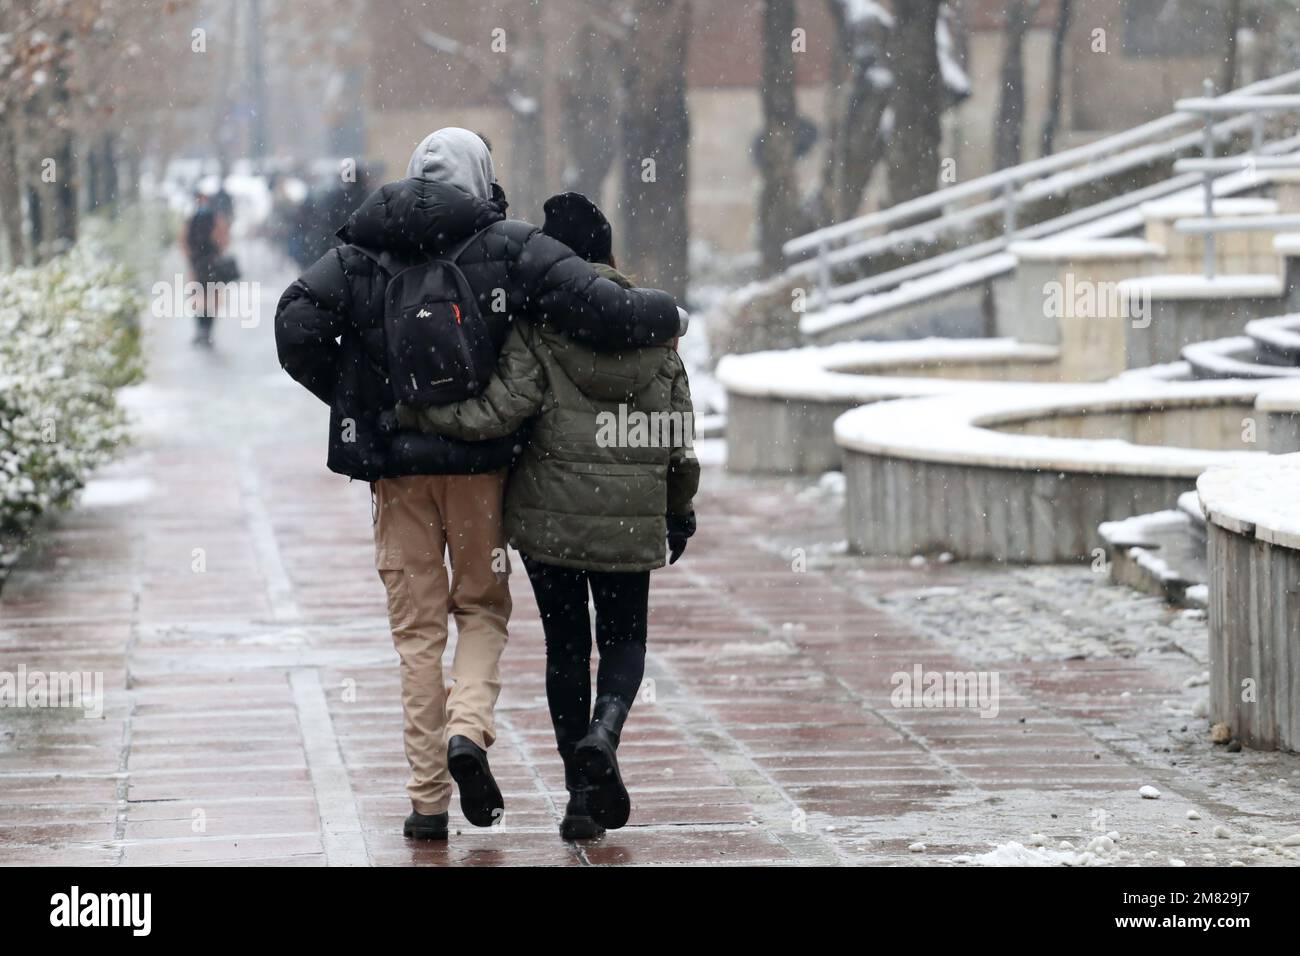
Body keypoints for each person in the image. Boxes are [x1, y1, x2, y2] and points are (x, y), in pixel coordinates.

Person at [273, 129, 685, 841]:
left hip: (397, 476)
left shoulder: (361, 250)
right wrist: (669, 314)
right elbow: (601, 306)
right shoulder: (509, 246)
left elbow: (295, 323)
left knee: (416, 632)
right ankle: (469, 731)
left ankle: (428, 800)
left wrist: (363, 405)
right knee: (482, 611)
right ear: (483, 178)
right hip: (478, 471)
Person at [398, 192, 699, 839]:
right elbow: (679, 432)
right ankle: (605, 731)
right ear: (610, 251)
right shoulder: (655, 328)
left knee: (567, 647)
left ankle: (579, 798)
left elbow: (498, 410)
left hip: (549, 525)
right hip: (629, 518)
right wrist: (679, 511)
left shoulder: (539, 324)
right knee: (623, 640)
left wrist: (420, 413)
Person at [180, 190, 238, 348]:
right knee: (201, 298)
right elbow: (185, 242)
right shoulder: (197, 219)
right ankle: (202, 331)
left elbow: (222, 239)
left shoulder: (202, 219)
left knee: (207, 298)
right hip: (202, 264)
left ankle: (205, 331)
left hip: (208, 264)